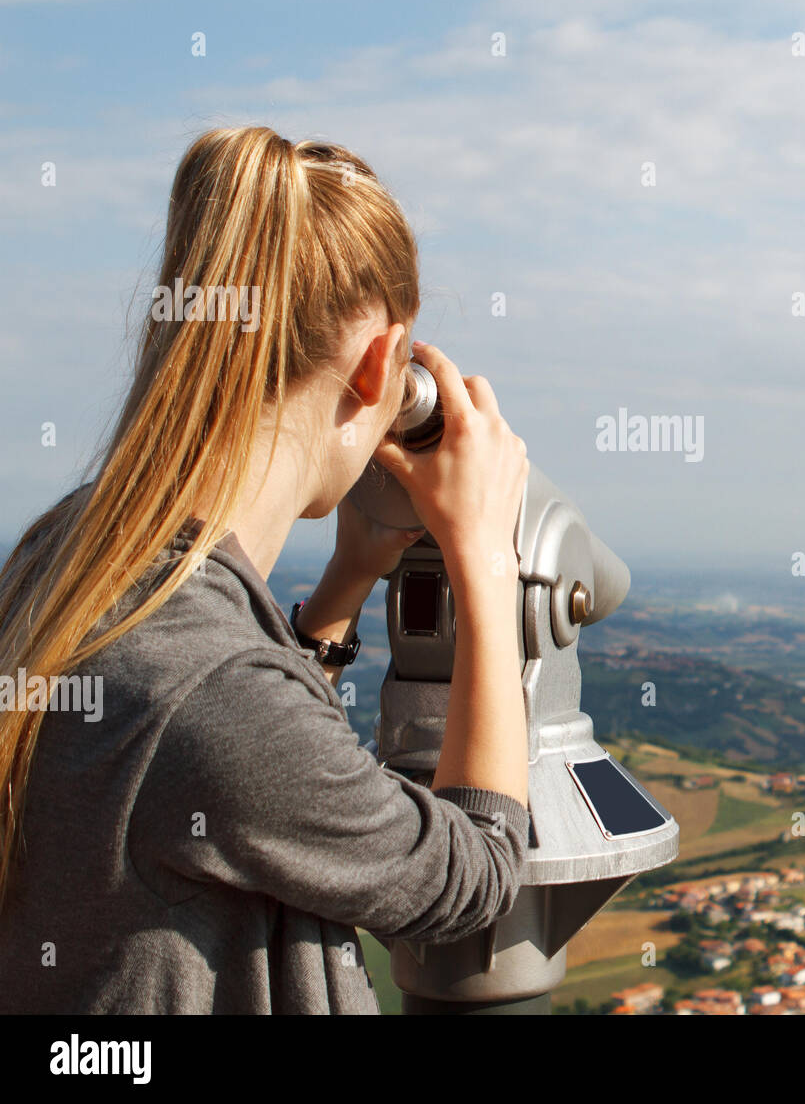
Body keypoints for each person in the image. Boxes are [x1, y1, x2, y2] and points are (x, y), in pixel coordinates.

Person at [0, 126, 531, 1013]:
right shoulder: (211, 689)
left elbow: (260, 776)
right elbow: (470, 876)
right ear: (374, 366)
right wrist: (485, 557)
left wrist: (346, 584)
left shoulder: (65, 550)